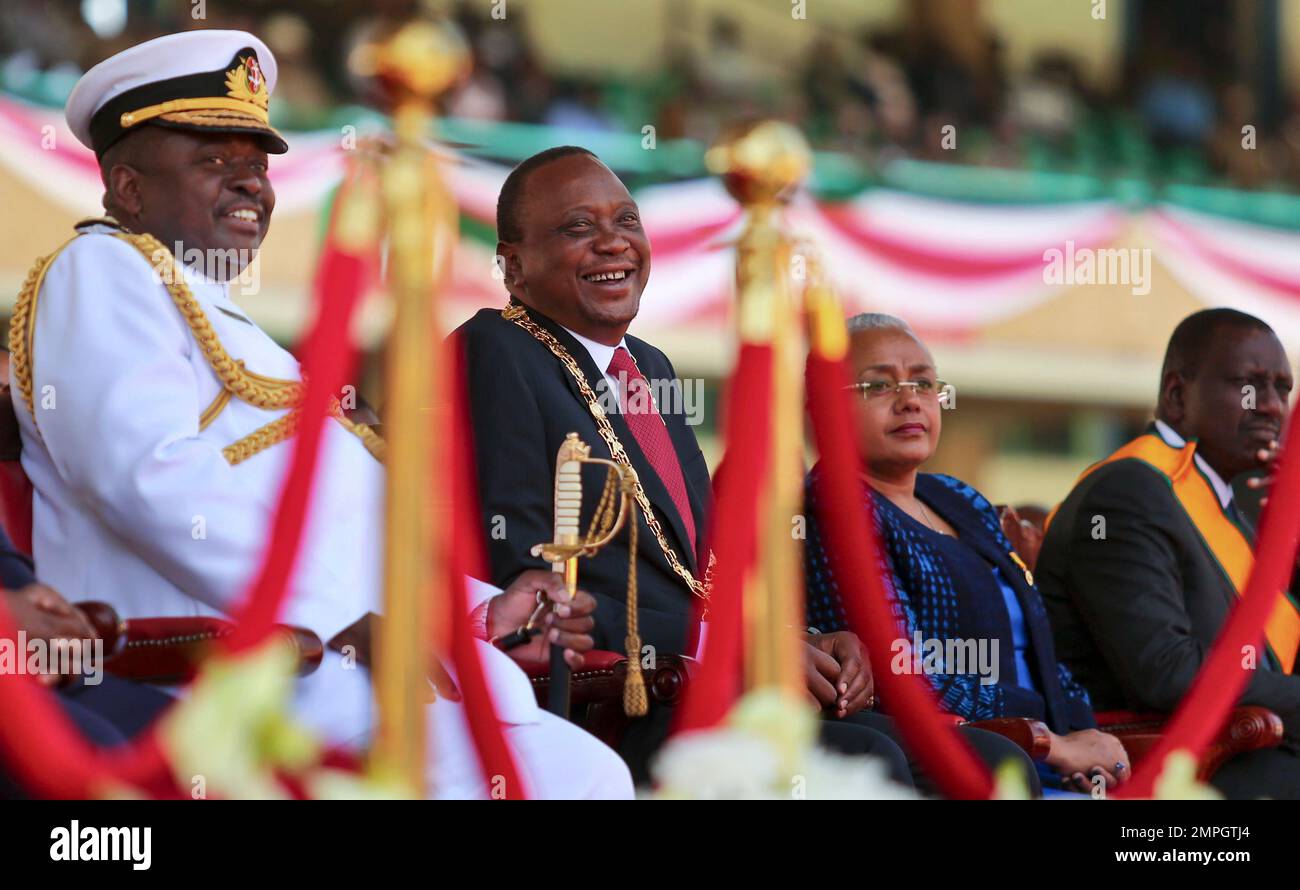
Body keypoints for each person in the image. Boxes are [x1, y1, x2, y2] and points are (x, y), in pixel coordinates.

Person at [9, 30, 631, 799]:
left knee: (590, 776)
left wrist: (485, 607)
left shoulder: (225, 322)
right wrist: (338, 620)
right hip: (242, 678)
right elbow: (149, 479)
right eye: (214, 161)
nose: (251, 185)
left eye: (257, 165)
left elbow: (342, 525)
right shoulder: (102, 270)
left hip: (350, 671)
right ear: (128, 187)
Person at [456, 146, 932, 790]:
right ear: (513, 266)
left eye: (626, 222)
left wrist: (800, 637)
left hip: (700, 682)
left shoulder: (649, 366)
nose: (611, 244)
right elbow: (522, 586)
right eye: (577, 227)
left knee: (942, 752)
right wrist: (741, 649)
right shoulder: (494, 350)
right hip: (609, 702)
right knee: (871, 759)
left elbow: (700, 569)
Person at [803, 313, 1131, 796]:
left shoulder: (961, 499)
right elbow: (901, 672)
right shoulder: (834, 509)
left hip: (1053, 753)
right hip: (965, 757)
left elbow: (1042, 648)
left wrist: (1086, 739)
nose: (910, 399)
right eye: (878, 386)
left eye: (923, 382)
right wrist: (1052, 743)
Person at [1037, 308, 1300, 799]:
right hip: (1161, 757)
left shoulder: (1226, 503)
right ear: (1177, 395)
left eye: (1282, 389)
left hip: (1251, 744)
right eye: (1249, 385)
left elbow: (1273, 659)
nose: (1270, 406)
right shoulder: (1126, 492)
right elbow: (1164, 672)